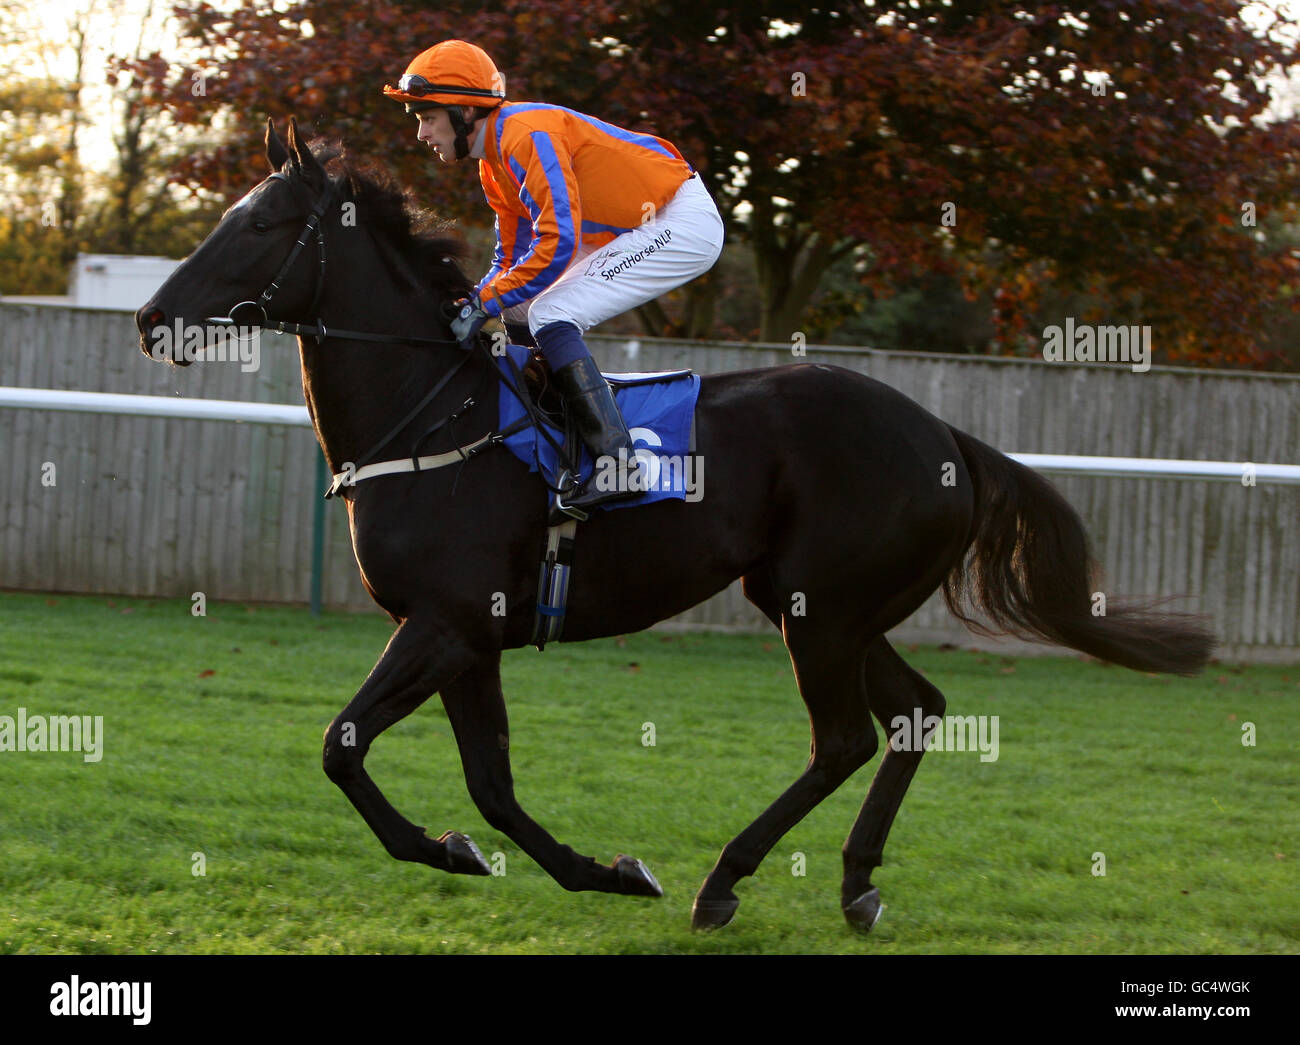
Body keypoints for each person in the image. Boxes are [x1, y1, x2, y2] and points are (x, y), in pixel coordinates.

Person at [383, 39, 724, 515]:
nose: (421, 133)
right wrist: (475, 300)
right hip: (631, 225)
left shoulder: (526, 134)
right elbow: (513, 259)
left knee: (552, 310)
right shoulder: (493, 165)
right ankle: (544, 433)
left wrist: (486, 303)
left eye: (426, 117)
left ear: (463, 111)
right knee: (520, 305)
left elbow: (557, 241)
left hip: (678, 222)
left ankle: (619, 465)